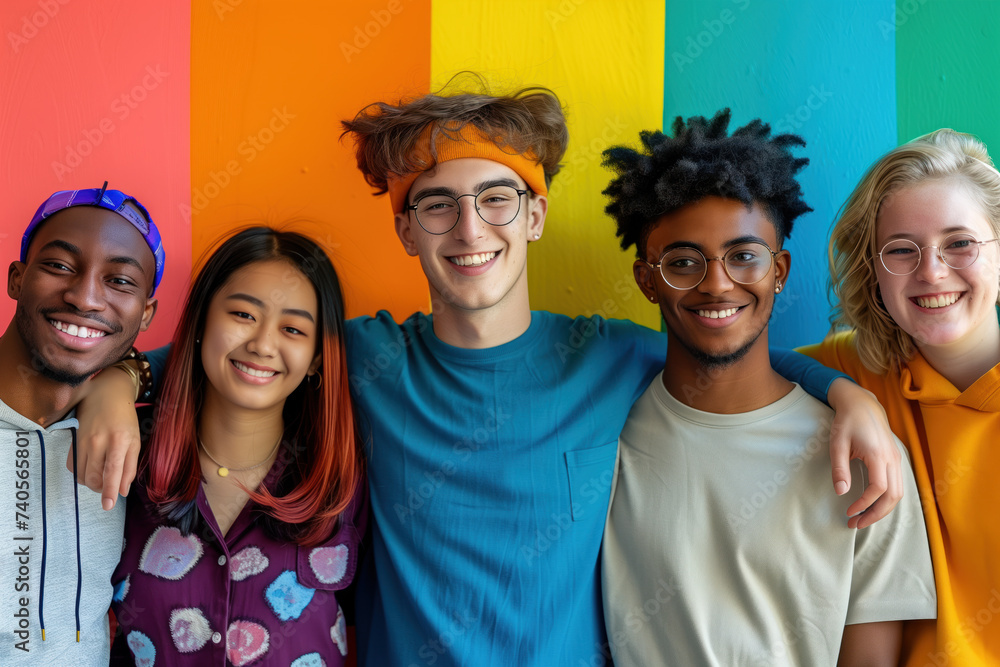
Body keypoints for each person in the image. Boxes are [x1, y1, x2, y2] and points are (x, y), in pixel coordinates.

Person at [81, 78, 905, 666]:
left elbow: (729, 347)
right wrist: (117, 384)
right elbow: (210, 356)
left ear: (536, 214)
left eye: (497, 198)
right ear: (407, 230)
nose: (469, 227)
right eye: (437, 203)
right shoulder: (363, 357)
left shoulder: (608, 354)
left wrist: (843, 393)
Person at [600, 111, 937, 666]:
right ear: (646, 281)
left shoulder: (866, 458)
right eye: (683, 262)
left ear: (778, 270)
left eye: (744, 257)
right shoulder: (602, 441)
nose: (716, 284)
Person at [109, 227, 365, 666]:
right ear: (202, 319)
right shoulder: (126, 451)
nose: (263, 344)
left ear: (317, 359)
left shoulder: (344, 478)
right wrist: (114, 381)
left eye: (292, 328)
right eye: (244, 315)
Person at [800, 128, 1000, 665]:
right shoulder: (860, 366)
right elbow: (750, 362)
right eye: (901, 250)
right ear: (874, 275)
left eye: (960, 242)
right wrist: (847, 394)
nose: (932, 272)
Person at [0, 184, 162, 665]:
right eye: (59, 266)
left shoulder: (138, 437)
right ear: (16, 278)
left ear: (146, 314)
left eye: (121, 281)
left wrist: (125, 378)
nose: (86, 297)